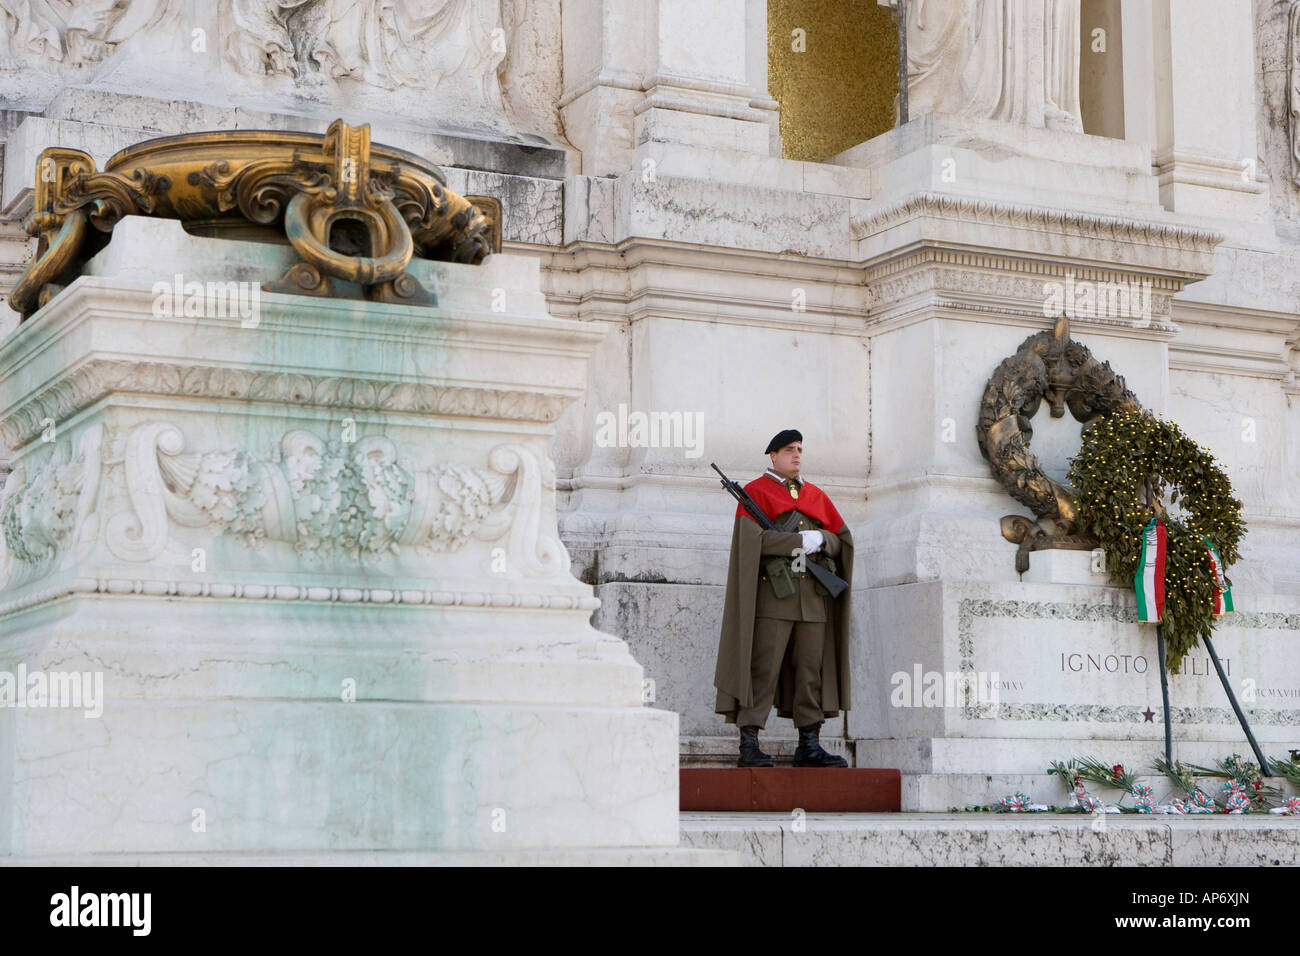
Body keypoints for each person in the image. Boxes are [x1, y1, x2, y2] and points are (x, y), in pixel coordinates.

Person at [713, 429, 853, 767]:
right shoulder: (755, 494)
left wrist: (820, 539)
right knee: (763, 670)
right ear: (772, 456)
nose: (796, 455)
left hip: (813, 599)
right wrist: (794, 543)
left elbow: (842, 539)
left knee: (811, 672)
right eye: (789, 450)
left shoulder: (816, 496)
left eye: (800, 449)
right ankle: (749, 745)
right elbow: (751, 543)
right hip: (775, 598)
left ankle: (809, 745)